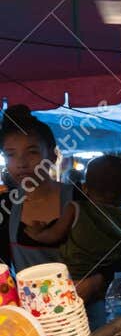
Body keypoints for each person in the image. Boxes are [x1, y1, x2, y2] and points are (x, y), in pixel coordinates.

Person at [64, 155, 121, 327]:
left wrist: (38, 231)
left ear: (85, 188)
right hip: (97, 296)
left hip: (75, 288)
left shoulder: (75, 208)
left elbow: (50, 236)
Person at [2, 106, 76, 271]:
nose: (21, 164)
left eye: (32, 152)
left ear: (52, 156)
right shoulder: (5, 205)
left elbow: (119, 255)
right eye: (11, 154)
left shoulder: (79, 198)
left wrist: (95, 281)